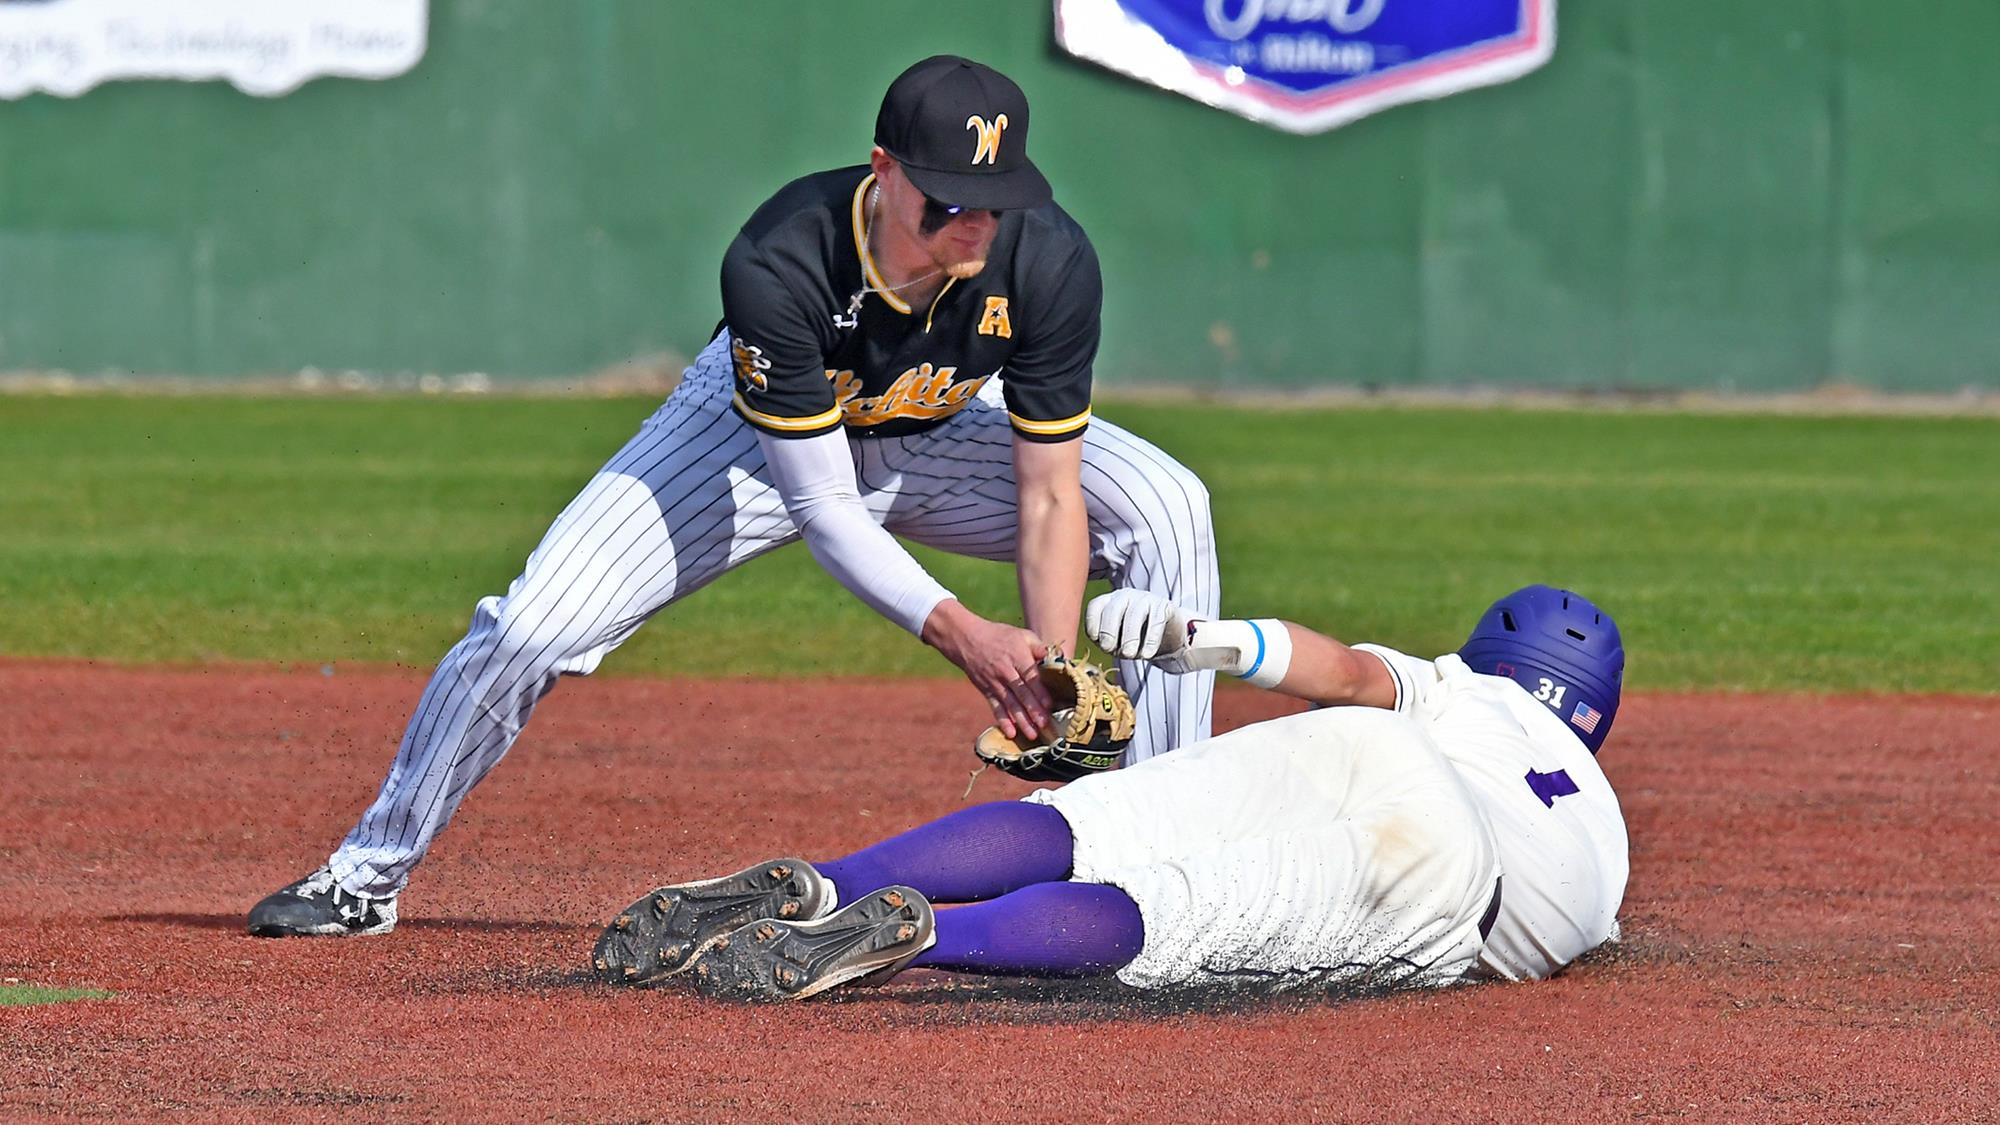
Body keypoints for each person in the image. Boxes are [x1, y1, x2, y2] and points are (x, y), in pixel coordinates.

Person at [246, 55, 1218, 938]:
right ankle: (365, 877)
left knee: (1167, 503)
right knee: (530, 629)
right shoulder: (782, 259)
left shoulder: (1044, 259)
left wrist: (1045, 667)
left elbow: (1048, 489)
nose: (975, 220)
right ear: (882, 170)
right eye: (948, 197)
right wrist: (967, 635)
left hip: (933, 436)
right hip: (749, 449)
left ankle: (1176, 866)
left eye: (995, 198)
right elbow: (825, 507)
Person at [591, 584, 1629, 1001]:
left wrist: (1198, 639)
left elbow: (1351, 679)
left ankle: (823, 882)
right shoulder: (1600, 824)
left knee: (1087, 822)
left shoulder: (1454, 691)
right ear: (1591, 714)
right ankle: (921, 940)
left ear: (1493, 656)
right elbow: (1574, 934)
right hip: (1444, 868)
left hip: (1366, 745)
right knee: (1177, 909)